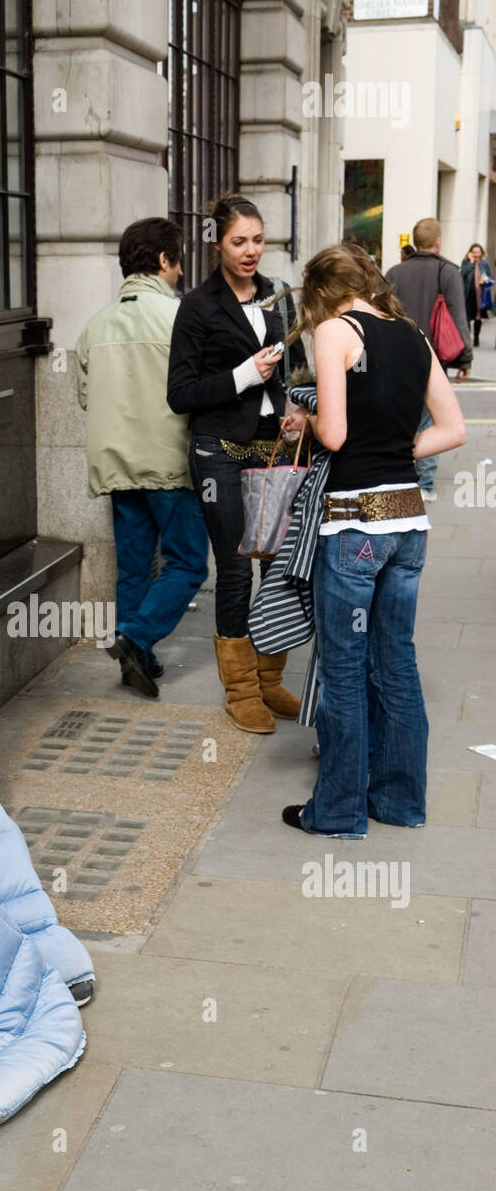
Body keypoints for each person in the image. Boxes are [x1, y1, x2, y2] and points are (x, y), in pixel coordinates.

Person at [279, 245, 466, 837]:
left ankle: (336, 812)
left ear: (321, 294)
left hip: (356, 520)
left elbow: (333, 434)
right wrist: (396, 450)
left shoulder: (336, 330)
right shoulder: (413, 335)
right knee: (398, 665)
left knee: (344, 667)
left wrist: (306, 420)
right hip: (409, 522)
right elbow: (453, 429)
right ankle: (401, 803)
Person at [167, 193, 307, 732]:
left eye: (257, 240)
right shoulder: (197, 307)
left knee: (277, 569)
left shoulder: (277, 297)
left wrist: (296, 406)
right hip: (219, 452)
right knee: (234, 569)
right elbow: (180, 393)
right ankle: (242, 690)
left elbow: (296, 368)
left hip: (273, 447)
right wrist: (246, 374)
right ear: (218, 244)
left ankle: (271, 682)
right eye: (238, 241)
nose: (250, 251)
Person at [75, 217, 209, 698]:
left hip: (117, 466)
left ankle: (137, 658)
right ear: (162, 261)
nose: (180, 272)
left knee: (134, 567)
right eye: (178, 260)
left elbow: (86, 396)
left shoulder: (95, 325)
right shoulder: (182, 317)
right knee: (189, 564)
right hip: (169, 463)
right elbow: (199, 391)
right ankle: (138, 637)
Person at [385, 218, 472, 502]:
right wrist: (465, 359)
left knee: (403, 417)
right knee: (430, 418)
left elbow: (383, 316)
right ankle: (424, 482)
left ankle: (400, 474)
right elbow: (458, 317)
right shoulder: (447, 271)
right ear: (437, 241)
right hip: (432, 359)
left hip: (397, 356)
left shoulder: (394, 272)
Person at [460, 243, 493, 348]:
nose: (476, 254)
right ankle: (468, 337)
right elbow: (462, 274)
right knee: (467, 316)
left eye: (478, 252)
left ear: (481, 253)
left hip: (480, 295)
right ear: (470, 253)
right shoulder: (466, 262)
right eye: (474, 252)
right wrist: (470, 262)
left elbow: (491, 277)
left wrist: (486, 278)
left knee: (478, 317)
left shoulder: (485, 263)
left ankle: (476, 337)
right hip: (468, 293)